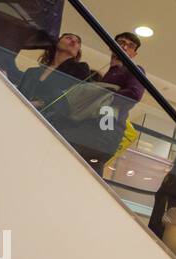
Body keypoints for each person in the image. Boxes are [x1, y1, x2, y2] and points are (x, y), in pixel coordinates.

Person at [57, 31, 145, 175]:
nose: (124, 47)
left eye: (130, 46)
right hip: (95, 125)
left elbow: (134, 94)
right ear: (112, 45)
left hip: (107, 126)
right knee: (87, 170)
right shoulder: (110, 74)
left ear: (134, 54)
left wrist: (103, 95)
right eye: (121, 42)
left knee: (61, 141)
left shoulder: (133, 69)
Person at [15, 32, 92, 111]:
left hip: (49, 116)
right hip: (20, 110)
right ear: (57, 43)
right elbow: (18, 93)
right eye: (69, 38)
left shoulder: (81, 69)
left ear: (77, 52)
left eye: (78, 42)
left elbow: (81, 96)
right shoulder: (32, 72)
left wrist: (42, 103)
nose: (74, 41)